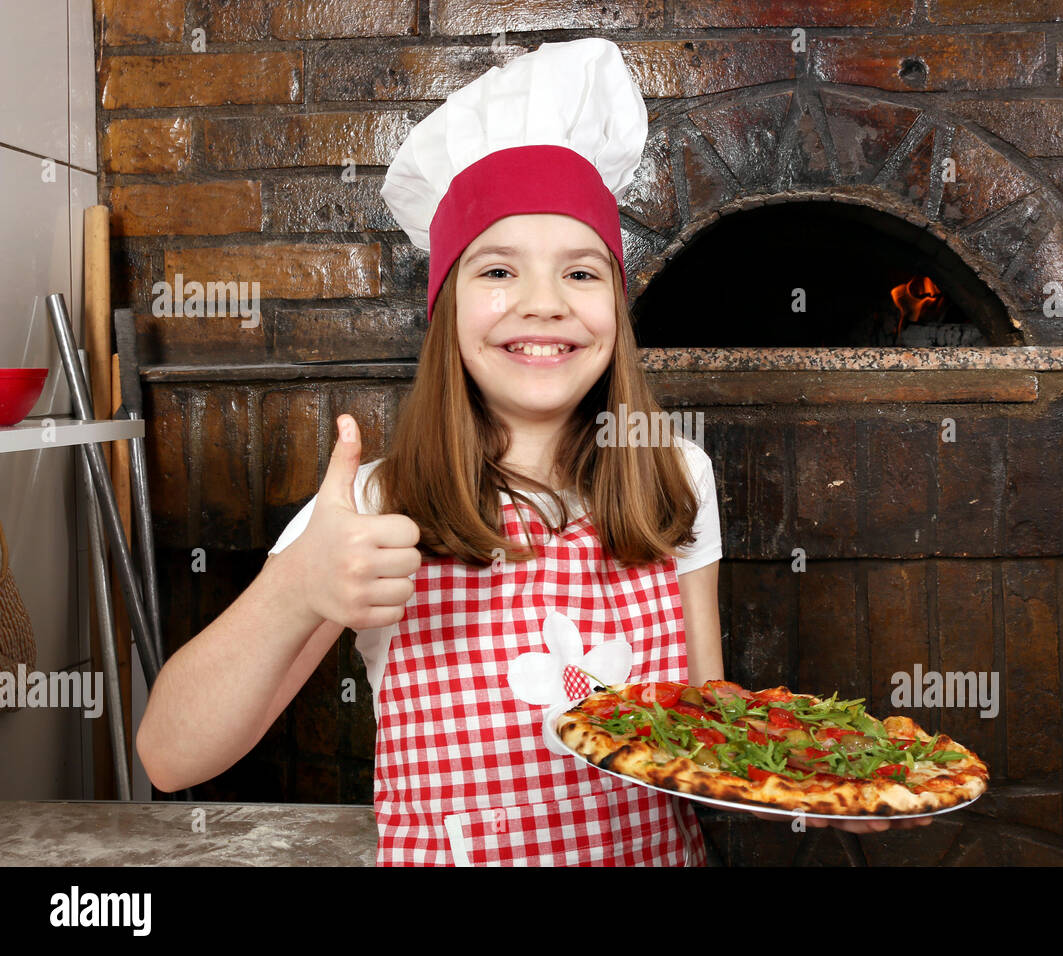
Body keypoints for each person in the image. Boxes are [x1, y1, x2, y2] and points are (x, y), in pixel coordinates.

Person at [136, 37, 926, 865]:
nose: (545, 305)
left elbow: (703, 732)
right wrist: (296, 587)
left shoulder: (673, 475)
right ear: (445, 309)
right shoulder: (373, 506)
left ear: (617, 311)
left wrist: (810, 777)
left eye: (582, 274)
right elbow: (171, 754)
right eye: (499, 272)